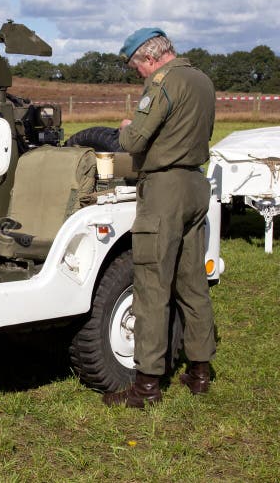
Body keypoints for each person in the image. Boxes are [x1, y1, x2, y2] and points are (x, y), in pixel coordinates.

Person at [103, 28, 217, 408]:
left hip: (164, 189)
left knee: (151, 284)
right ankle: (199, 371)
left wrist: (125, 129)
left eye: (137, 67)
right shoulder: (202, 79)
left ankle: (146, 386)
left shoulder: (163, 82)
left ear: (149, 58)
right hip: (196, 185)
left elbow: (135, 142)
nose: (139, 74)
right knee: (193, 282)